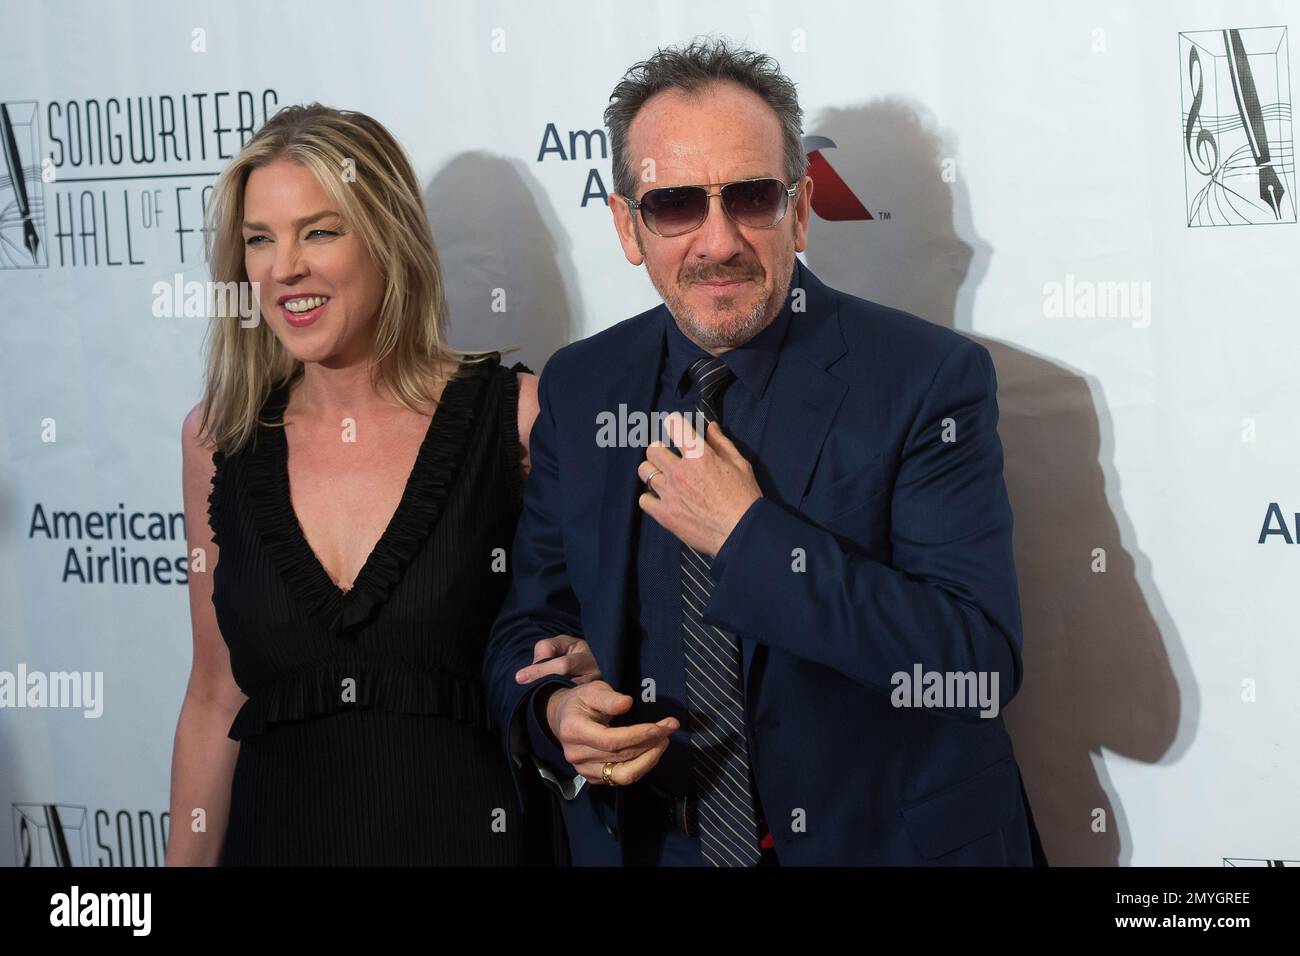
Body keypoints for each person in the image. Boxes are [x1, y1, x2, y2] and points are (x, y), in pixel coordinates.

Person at [486, 39, 1046, 866]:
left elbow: (974, 667)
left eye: (750, 197)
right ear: (626, 225)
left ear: (801, 207)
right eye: (675, 205)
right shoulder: (583, 385)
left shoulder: (928, 381)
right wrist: (553, 711)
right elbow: (530, 623)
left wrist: (748, 535)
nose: (718, 242)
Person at [166, 103, 595, 865]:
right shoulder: (219, 439)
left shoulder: (519, 419)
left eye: (319, 231)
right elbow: (213, 696)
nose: (283, 266)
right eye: (259, 239)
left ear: (387, 236)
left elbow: (588, 650)